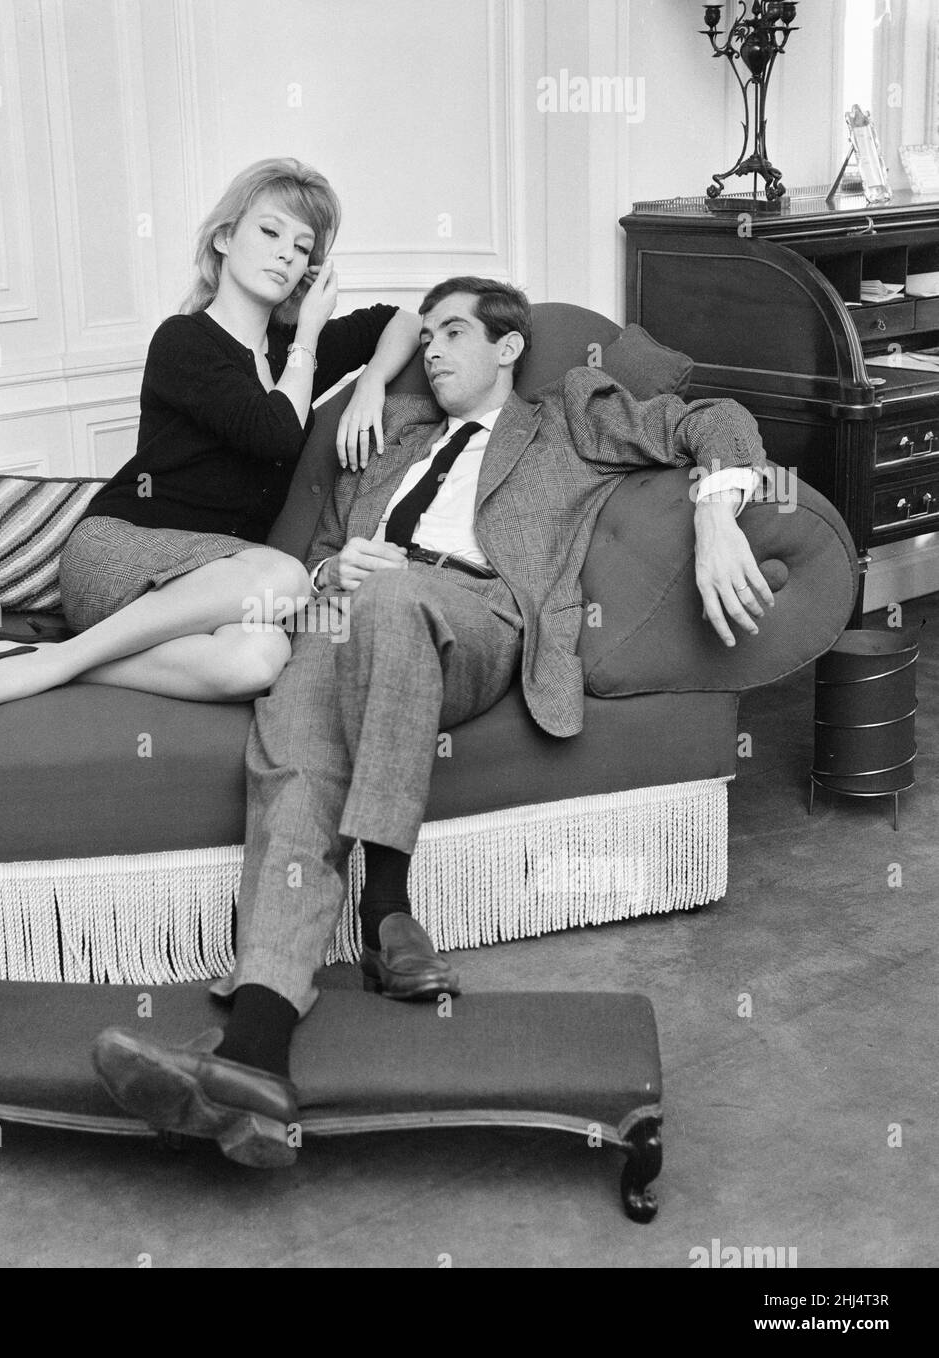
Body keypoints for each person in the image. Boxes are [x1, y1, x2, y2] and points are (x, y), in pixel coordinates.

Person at [91, 275, 775, 1168]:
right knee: (294, 757)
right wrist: (331, 572)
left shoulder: (568, 415)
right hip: (349, 620)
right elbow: (324, 552)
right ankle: (253, 1055)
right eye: (427, 339)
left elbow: (713, 420)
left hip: (476, 617)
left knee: (394, 599)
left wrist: (717, 514)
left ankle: (386, 902)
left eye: (453, 333)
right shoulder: (389, 438)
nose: (434, 352)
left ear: (507, 347)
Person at [0, 157, 422, 711]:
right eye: (270, 232)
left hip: (217, 589)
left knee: (259, 658)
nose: (286, 254)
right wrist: (309, 335)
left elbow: (404, 320)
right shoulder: (184, 341)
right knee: (285, 578)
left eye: (302, 246)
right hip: (118, 555)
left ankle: (53, 657)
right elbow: (277, 433)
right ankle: (54, 663)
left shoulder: (292, 355)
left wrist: (371, 384)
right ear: (224, 238)